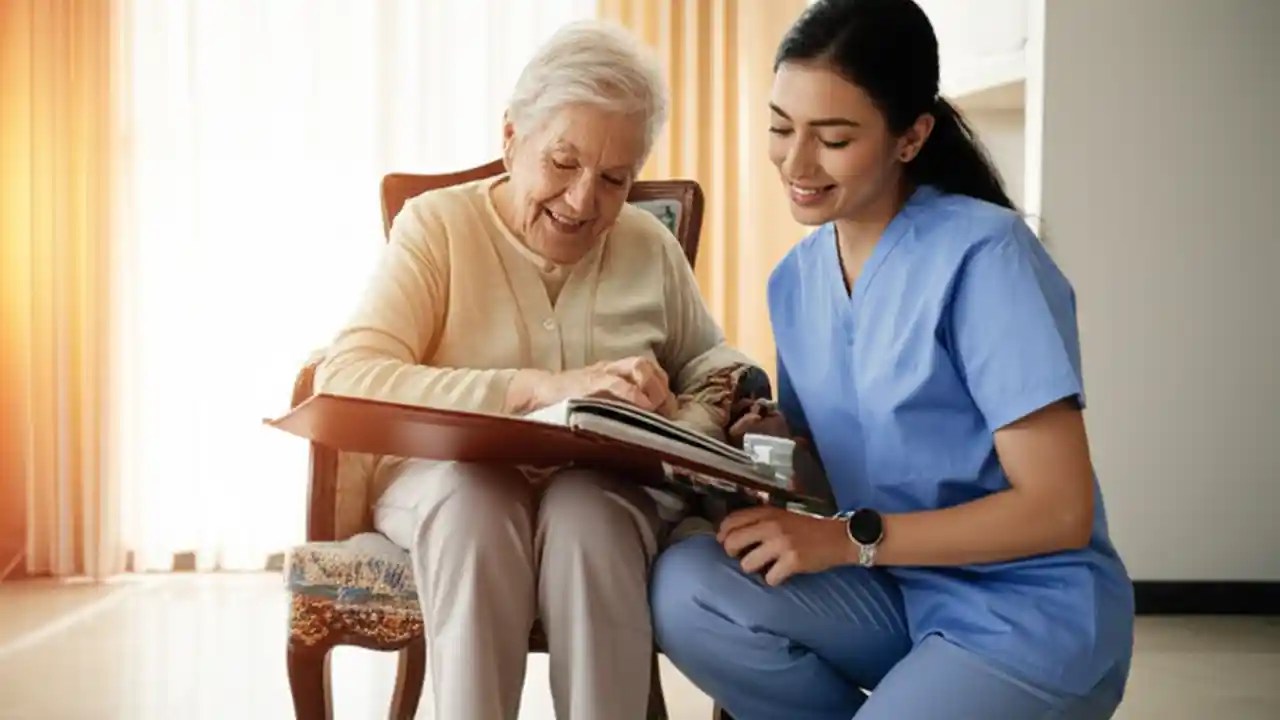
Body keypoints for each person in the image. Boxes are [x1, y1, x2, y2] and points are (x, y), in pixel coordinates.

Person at [649, 1, 1135, 718]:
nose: (796, 161)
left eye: (834, 138)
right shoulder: (797, 279)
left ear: (912, 137)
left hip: (1026, 615)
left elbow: (1059, 509)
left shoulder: (987, 257)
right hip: (895, 590)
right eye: (781, 127)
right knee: (689, 585)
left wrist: (846, 541)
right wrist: (765, 450)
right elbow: (830, 475)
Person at [314, 20, 757, 720]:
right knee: (476, 507)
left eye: (615, 179)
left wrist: (679, 412)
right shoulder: (436, 227)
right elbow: (348, 375)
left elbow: (718, 361)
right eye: (562, 163)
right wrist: (534, 389)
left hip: (605, 493)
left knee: (588, 516)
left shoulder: (649, 243)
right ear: (512, 137)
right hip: (445, 488)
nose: (583, 202)